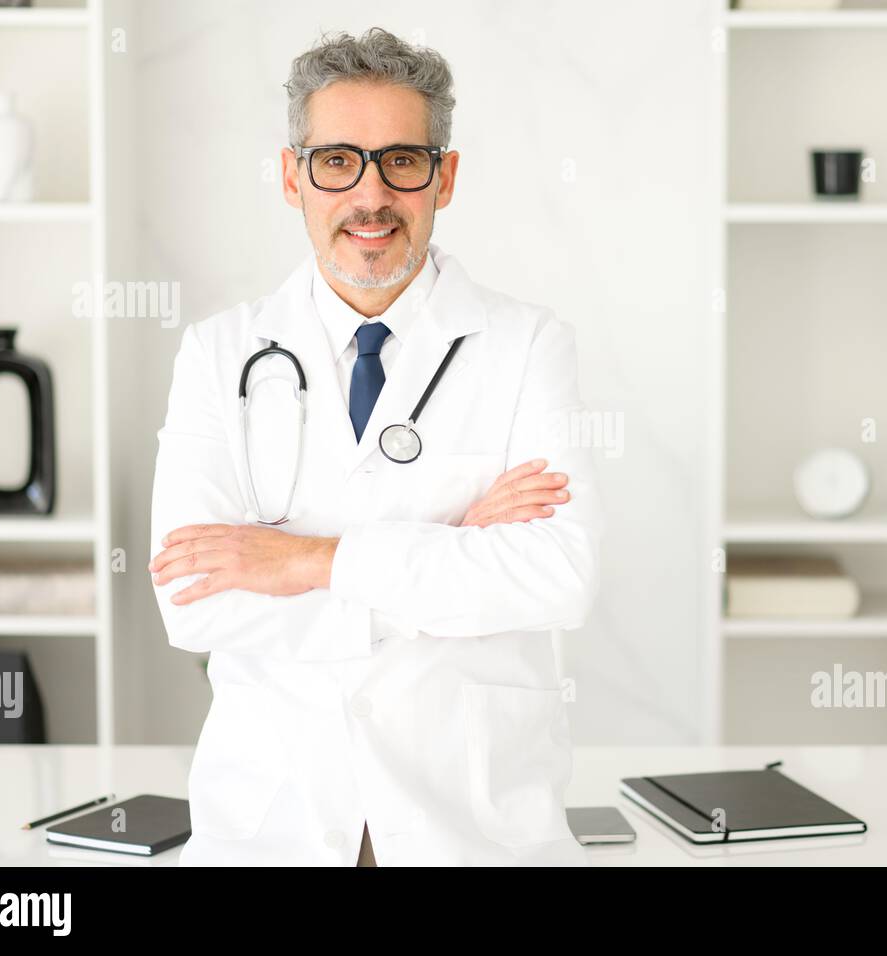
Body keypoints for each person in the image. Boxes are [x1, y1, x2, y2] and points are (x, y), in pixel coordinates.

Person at [147, 27, 603, 866]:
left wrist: (305, 561)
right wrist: (454, 552)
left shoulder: (527, 345)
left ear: (445, 177)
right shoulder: (219, 355)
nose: (371, 194)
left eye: (402, 160)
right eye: (337, 162)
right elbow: (194, 601)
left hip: (470, 827)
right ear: (294, 177)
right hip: (272, 825)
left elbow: (558, 578)